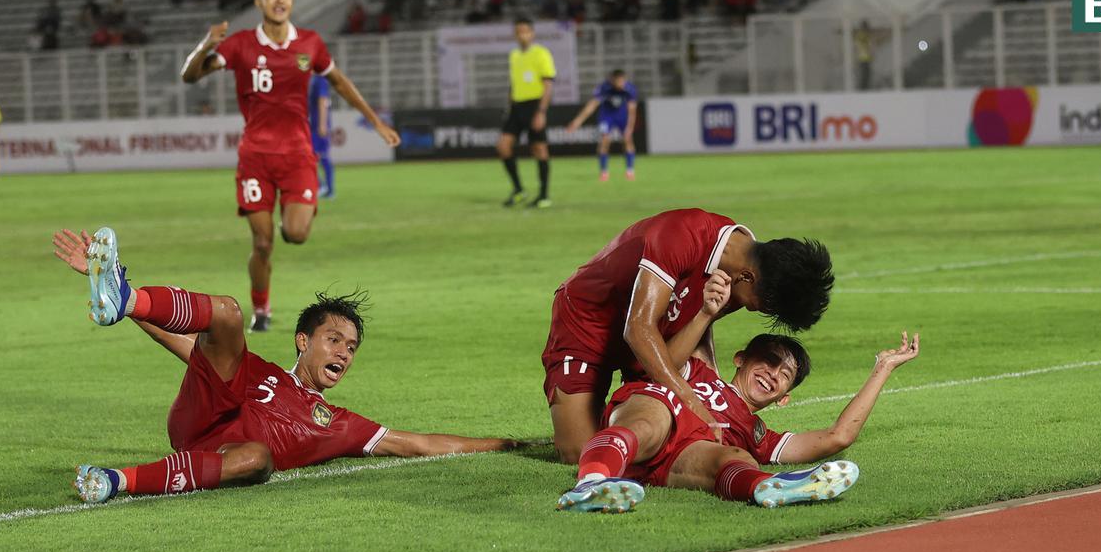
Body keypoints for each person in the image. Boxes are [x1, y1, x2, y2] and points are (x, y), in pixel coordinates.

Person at [52, 227, 516, 504]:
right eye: (334, 340)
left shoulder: (338, 424)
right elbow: (185, 341)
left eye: (351, 348)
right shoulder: (258, 370)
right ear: (303, 341)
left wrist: (507, 444)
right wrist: (130, 307)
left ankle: (116, 481)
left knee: (258, 460)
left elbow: (417, 443)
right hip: (200, 417)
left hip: (226, 455)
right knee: (230, 312)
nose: (343, 353)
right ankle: (124, 295)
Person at [557, 272, 921, 512]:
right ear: (741, 359)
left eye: (784, 376)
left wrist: (882, 369)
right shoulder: (693, 368)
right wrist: (707, 308)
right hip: (653, 412)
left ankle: (768, 487)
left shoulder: (754, 432)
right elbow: (667, 355)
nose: (772, 373)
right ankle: (591, 485)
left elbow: (837, 438)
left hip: (680, 458)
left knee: (735, 455)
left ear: (784, 397)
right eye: (769, 359)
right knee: (657, 412)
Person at [181, 0, 400, 332]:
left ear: (292, 1)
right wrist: (206, 43)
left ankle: (293, 214)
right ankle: (261, 310)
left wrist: (375, 121)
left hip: (298, 155)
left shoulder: (310, 43)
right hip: (255, 158)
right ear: (259, 2)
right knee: (262, 243)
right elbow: (189, 76)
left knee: (296, 234)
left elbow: (340, 82)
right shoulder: (240, 44)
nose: (279, 0)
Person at [544, 208, 834, 463]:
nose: (752, 309)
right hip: (589, 323)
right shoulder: (684, 234)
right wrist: (690, 400)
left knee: (643, 432)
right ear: (747, 277)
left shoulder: (741, 275)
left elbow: (698, 323)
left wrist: (717, 399)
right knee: (577, 452)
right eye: (763, 305)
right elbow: (638, 328)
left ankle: (610, 429)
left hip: (655, 332)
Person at [497, 17, 555, 209]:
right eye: (518, 31)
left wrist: (541, 111)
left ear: (532, 33)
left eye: (525, 31)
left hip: (534, 105)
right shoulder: (514, 55)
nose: (522, 34)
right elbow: (513, 83)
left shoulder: (541, 53)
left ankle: (544, 195)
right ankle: (519, 190)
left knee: (539, 149)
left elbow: (548, 84)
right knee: (503, 146)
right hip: (516, 106)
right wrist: (509, 106)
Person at [565, 69, 638, 182]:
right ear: (612, 80)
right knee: (604, 140)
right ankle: (604, 172)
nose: (620, 84)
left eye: (622, 81)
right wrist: (577, 121)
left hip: (622, 115)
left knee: (628, 140)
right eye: (618, 81)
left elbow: (632, 110)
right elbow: (592, 106)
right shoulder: (604, 88)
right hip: (607, 116)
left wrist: (630, 127)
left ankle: (630, 170)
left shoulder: (630, 89)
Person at [308, 73, 334, 199]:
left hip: (319, 127)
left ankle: (328, 189)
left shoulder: (320, 80)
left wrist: (322, 124)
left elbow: (323, 101)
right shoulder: (314, 79)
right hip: (313, 125)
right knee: (309, 157)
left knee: (322, 157)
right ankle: (323, 187)